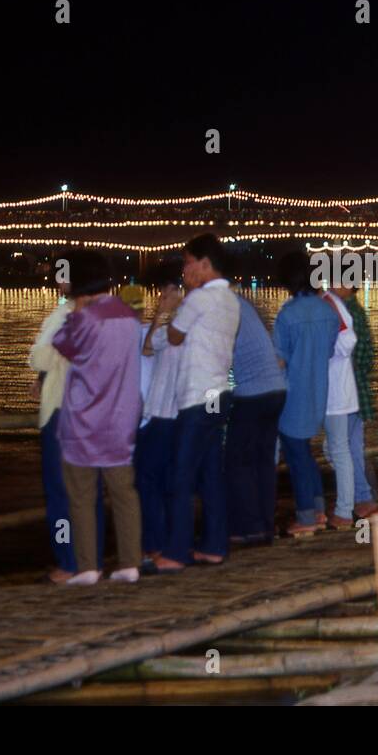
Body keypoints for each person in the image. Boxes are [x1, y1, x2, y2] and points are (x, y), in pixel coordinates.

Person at [52, 250, 144, 584]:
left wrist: (72, 314)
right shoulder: (129, 316)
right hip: (121, 417)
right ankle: (130, 562)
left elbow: (62, 344)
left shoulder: (85, 318)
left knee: (80, 496)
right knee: (124, 492)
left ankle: (88, 566)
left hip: (84, 418)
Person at [156, 234, 240, 571]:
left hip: (198, 394)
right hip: (219, 393)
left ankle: (176, 551)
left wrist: (181, 300)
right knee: (210, 473)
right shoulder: (231, 300)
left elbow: (174, 336)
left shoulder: (199, 299)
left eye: (188, 261)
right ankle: (214, 545)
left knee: (181, 472)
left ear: (204, 263)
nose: (184, 268)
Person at [29, 267, 104, 583]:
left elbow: (40, 358)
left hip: (63, 413)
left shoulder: (63, 316)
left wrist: (41, 363)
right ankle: (93, 560)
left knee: (60, 494)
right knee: (91, 492)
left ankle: (68, 562)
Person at [272, 251, 342, 536]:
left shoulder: (288, 313)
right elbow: (328, 350)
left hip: (293, 392)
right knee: (306, 453)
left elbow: (279, 360)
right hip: (318, 390)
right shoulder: (328, 311)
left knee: (297, 455)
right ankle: (319, 510)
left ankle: (306, 517)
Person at [225, 294, 288, 545]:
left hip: (253, 392)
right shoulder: (243, 305)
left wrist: (210, 407)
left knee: (236, 461)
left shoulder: (222, 306)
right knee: (262, 461)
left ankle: (247, 528)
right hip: (276, 389)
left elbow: (216, 360)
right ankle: (265, 526)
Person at [134, 264, 185, 563]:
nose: (164, 296)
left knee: (148, 480)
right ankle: (165, 543)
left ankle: (155, 546)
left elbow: (149, 348)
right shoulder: (186, 323)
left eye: (169, 292)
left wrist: (163, 312)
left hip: (164, 414)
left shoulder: (176, 326)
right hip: (175, 414)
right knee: (165, 481)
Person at [320, 285, 364, 528]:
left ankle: (345, 509)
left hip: (336, 391)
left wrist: (324, 352)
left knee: (338, 449)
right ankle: (349, 502)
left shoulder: (329, 303)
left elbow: (347, 341)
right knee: (336, 449)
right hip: (335, 390)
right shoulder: (330, 303)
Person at [341, 285, 378, 511]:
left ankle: (361, 497)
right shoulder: (357, 311)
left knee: (338, 447)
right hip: (359, 391)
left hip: (346, 390)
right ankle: (364, 496)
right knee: (354, 445)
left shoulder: (344, 313)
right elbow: (368, 356)